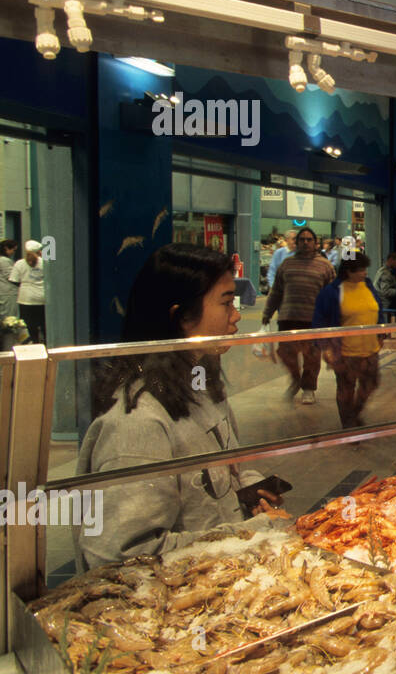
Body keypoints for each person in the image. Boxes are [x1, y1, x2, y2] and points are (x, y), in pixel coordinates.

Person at [75, 244, 286, 570]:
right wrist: (251, 532)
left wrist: (250, 492)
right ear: (182, 318)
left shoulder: (201, 384)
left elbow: (223, 473)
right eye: (226, 303)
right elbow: (121, 557)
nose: (237, 315)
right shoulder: (137, 424)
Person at [261, 227, 334, 405]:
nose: (306, 243)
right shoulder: (287, 264)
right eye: (302, 240)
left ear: (315, 243)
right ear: (296, 242)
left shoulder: (325, 266)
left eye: (309, 240)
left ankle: (308, 388)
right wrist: (267, 314)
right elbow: (276, 292)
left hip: (313, 319)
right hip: (288, 317)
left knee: (311, 356)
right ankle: (295, 379)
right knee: (286, 354)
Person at [313, 253, 382, 430]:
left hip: (370, 350)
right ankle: (348, 425)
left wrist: (382, 333)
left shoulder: (367, 286)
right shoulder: (332, 292)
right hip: (346, 353)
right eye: (360, 270)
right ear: (348, 271)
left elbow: (377, 309)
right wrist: (325, 347)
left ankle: (354, 413)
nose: (364, 273)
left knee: (371, 384)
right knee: (346, 390)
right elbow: (320, 321)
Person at [10, 240, 46, 345]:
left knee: (30, 325)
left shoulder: (19, 264)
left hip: (25, 299)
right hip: (42, 298)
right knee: (44, 324)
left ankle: (34, 345)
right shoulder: (45, 263)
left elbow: (14, 280)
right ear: (39, 251)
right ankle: (46, 346)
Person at [0, 239, 19, 320]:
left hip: (5, 292)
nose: (13, 253)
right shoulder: (4, 260)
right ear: (6, 248)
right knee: (10, 318)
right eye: (13, 250)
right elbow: (11, 276)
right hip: (8, 293)